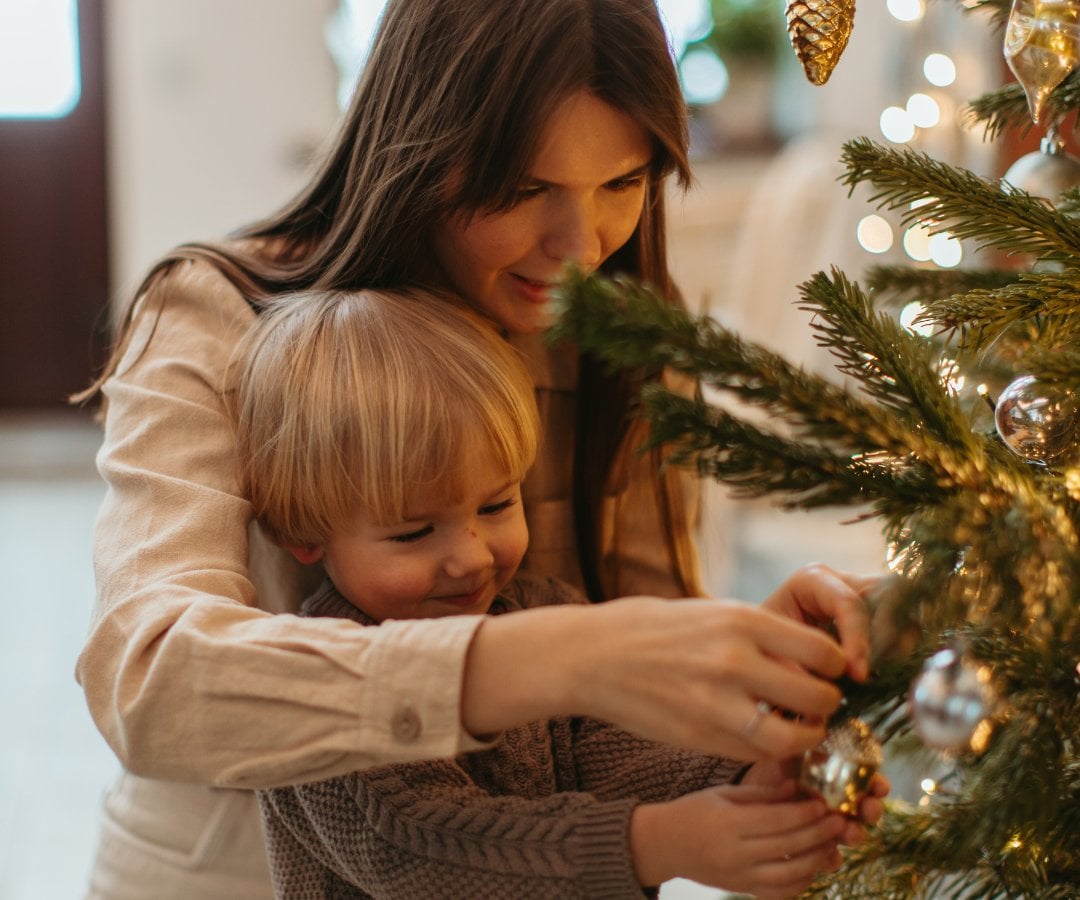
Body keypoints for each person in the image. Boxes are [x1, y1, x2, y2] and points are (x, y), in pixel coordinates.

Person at [78, 0, 879, 896]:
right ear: (417, 146)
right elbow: (150, 680)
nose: (579, 250)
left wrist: (755, 698)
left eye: (622, 183)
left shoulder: (619, 333)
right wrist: (561, 659)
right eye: (528, 189)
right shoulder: (210, 314)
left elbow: (623, 712)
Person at [236, 288, 882, 899]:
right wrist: (658, 842)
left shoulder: (539, 610)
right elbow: (426, 858)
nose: (470, 557)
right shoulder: (318, 686)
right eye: (412, 533)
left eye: (495, 504)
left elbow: (620, 757)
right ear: (302, 532)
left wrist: (751, 768)